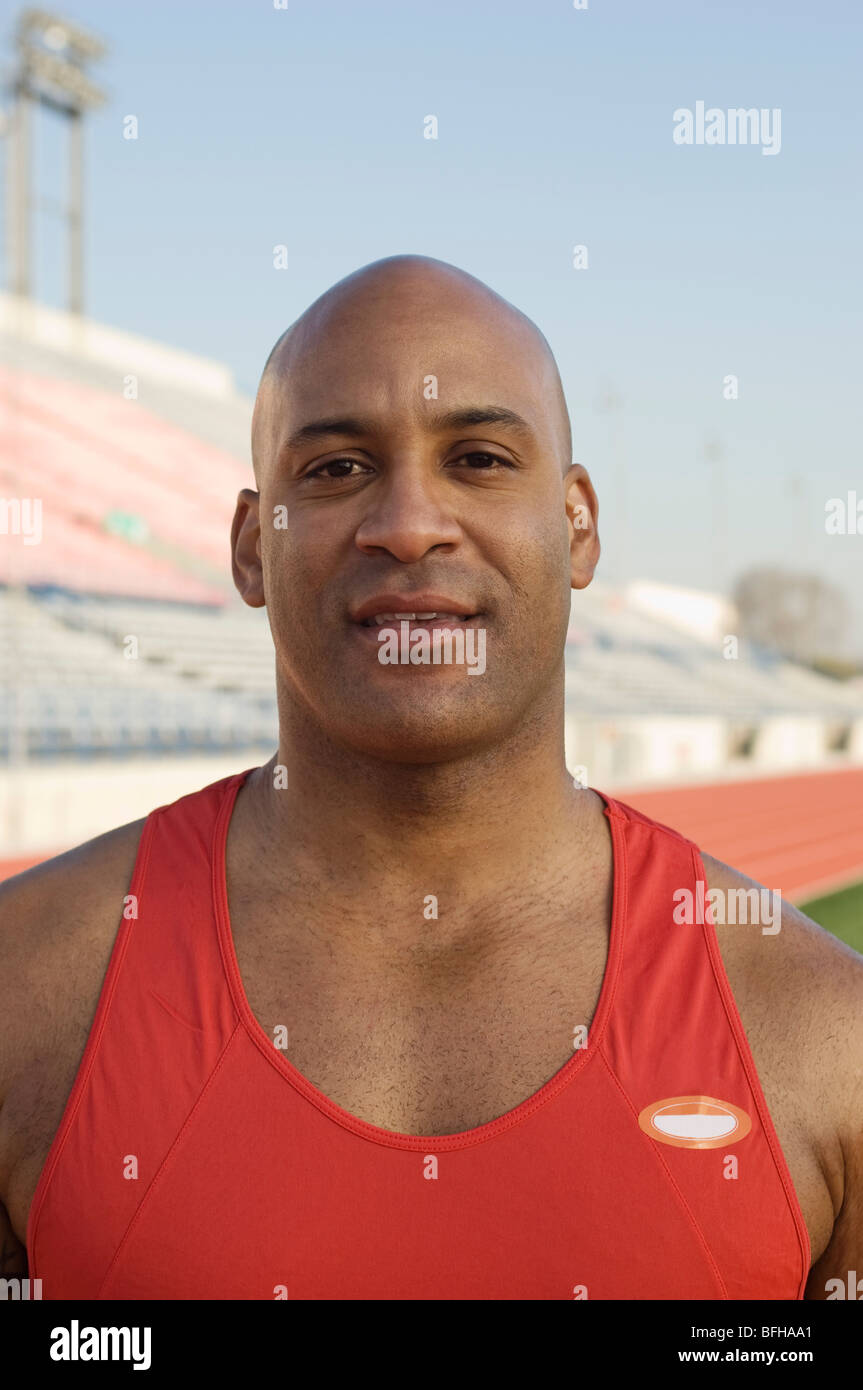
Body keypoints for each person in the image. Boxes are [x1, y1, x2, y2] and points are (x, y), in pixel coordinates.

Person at [0, 255, 860, 1300]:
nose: (408, 523)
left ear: (577, 526)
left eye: (481, 458)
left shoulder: (822, 1031)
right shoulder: (27, 988)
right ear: (246, 548)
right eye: (333, 469)